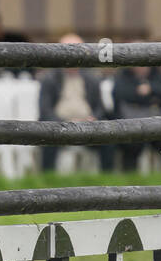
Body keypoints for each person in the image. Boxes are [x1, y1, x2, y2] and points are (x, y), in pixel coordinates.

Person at [37, 33, 115, 172]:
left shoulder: (92, 78)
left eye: (76, 50)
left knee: (108, 141)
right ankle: (47, 181)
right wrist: (62, 123)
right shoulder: (49, 78)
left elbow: (100, 108)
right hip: (58, 127)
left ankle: (107, 181)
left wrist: (93, 119)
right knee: (47, 139)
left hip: (88, 127)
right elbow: (45, 110)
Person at [112, 66, 161, 172]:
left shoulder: (156, 73)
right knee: (129, 144)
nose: (141, 68)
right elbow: (119, 93)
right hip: (132, 123)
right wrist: (150, 98)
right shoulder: (124, 74)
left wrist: (151, 88)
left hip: (157, 123)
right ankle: (129, 178)